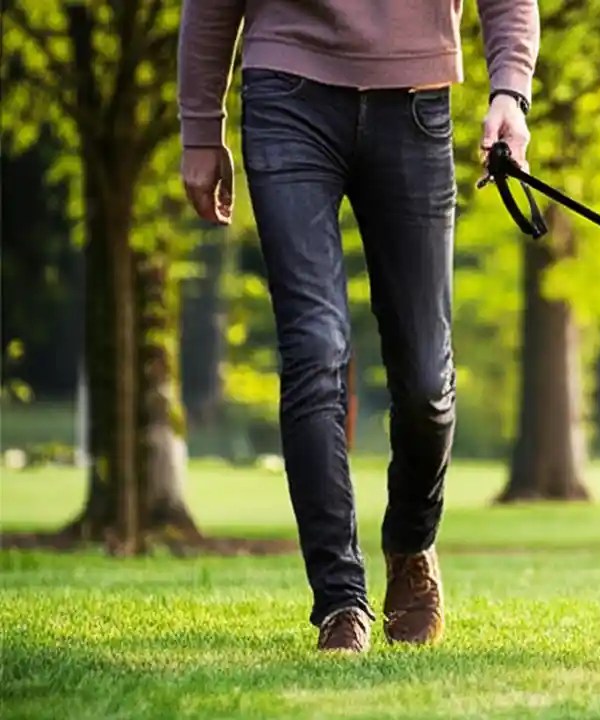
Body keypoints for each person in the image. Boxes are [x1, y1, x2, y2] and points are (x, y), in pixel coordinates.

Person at [176, 0, 538, 653]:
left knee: (426, 380)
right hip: (286, 91)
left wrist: (510, 92)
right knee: (314, 349)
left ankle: (411, 544)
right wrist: (201, 126)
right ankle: (340, 600)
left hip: (416, 101)